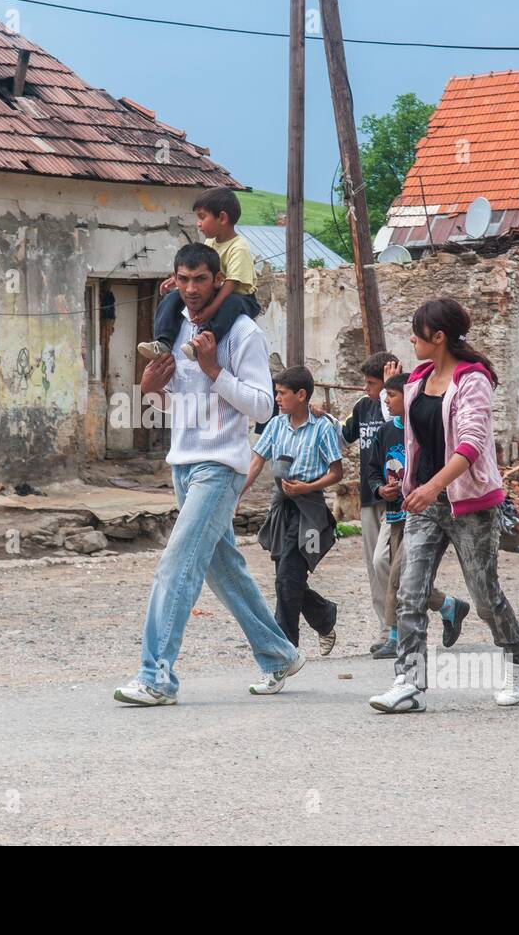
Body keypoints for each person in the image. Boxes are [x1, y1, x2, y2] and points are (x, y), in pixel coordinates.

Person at [114, 243, 304, 707]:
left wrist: (215, 368)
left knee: (176, 566)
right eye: (184, 279)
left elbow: (263, 407)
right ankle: (278, 653)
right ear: (174, 281)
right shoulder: (175, 328)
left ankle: (156, 677)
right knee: (225, 571)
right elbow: (174, 401)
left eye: (201, 279)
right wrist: (150, 389)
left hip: (221, 468)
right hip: (183, 462)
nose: (192, 289)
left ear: (219, 279)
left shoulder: (242, 334)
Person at [369, 298, 519, 714]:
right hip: (424, 504)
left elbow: (470, 443)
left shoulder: (473, 379)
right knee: (410, 592)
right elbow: (410, 435)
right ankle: (408, 682)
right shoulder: (418, 380)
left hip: (469, 503)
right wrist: (411, 483)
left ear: (438, 336)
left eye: (417, 332)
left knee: (483, 595)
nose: (411, 338)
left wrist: (433, 486)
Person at [364, 371, 472, 655]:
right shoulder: (386, 432)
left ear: (409, 396)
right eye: (386, 395)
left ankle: (395, 636)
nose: (386, 401)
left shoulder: (422, 428)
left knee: (399, 574)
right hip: (394, 514)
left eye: (392, 395)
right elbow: (372, 470)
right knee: (382, 564)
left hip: (419, 511)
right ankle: (447, 605)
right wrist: (379, 489)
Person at [242, 365, 344, 655]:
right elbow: (256, 462)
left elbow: (336, 472)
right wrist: (237, 495)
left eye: (282, 393)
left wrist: (306, 488)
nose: (277, 399)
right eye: (276, 393)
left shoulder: (322, 428)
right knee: (287, 578)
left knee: (289, 578)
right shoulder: (275, 425)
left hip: (310, 513)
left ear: (301, 395)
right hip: (281, 508)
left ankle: (284, 650)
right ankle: (324, 616)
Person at [138, 187, 260, 363]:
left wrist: (211, 309)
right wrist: (176, 281)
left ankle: (200, 343)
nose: (198, 223)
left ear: (223, 218)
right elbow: (201, 267)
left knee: (230, 303)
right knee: (172, 298)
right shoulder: (211, 242)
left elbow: (231, 285)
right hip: (219, 292)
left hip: (241, 298)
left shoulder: (238, 247)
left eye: (202, 217)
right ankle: (163, 342)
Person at [335, 352, 399, 655]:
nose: (366, 389)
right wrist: (320, 418)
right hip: (370, 495)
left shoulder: (400, 406)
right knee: (374, 566)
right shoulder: (362, 408)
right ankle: (386, 628)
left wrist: (389, 392)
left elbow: (399, 428)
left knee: (387, 562)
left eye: (372, 383)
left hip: (399, 498)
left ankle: (401, 625)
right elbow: (343, 435)